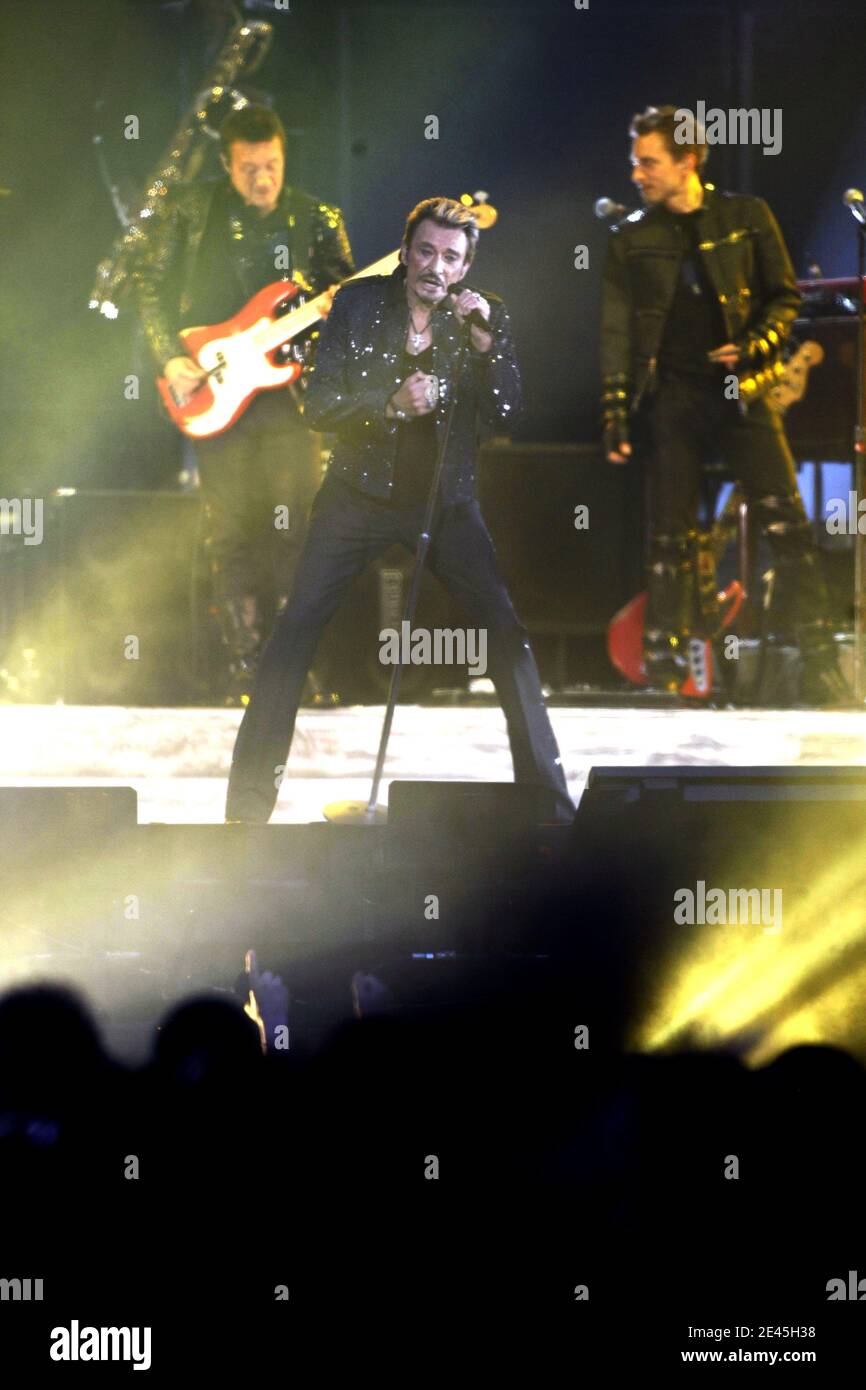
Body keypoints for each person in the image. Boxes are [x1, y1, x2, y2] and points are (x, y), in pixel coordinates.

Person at [224, 197, 573, 823]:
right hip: (357, 496)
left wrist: (488, 344)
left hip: (445, 502)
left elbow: (509, 415)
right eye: (426, 251)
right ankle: (245, 812)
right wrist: (386, 403)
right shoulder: (358, 303)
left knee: (506, 638)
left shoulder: (484, 321)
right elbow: (318, 405)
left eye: (451, 257)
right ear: (407, 251)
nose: (436, 266)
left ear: (465, 268)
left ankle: (550, 808)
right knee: (293, 634)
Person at [600, 104, 846, 703]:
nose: (637, 173)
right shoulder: (631, 238)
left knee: (786, 523)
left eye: (649, 161)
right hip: (675, 395)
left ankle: (818, 663)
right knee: (669, 538)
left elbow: (784, 299)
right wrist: (614, 411)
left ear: (688, 160)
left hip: (744, 392)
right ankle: (663, 670)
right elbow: (615, 332)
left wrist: (756, 344)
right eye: (635, 162)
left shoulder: (747, 216)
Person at [134, 104, 354, 701]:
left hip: (289, 401)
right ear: (228, 166)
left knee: (295, 529)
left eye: (273, 166)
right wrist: (166, 358)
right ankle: (242, 671)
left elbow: (354, 307)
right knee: (229, 531)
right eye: (250, 168)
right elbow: (148, 285)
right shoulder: (192, 209)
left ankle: (290, 673)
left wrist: (338, 314)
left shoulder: (316, 217)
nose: (264, 179)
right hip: (214, 390)